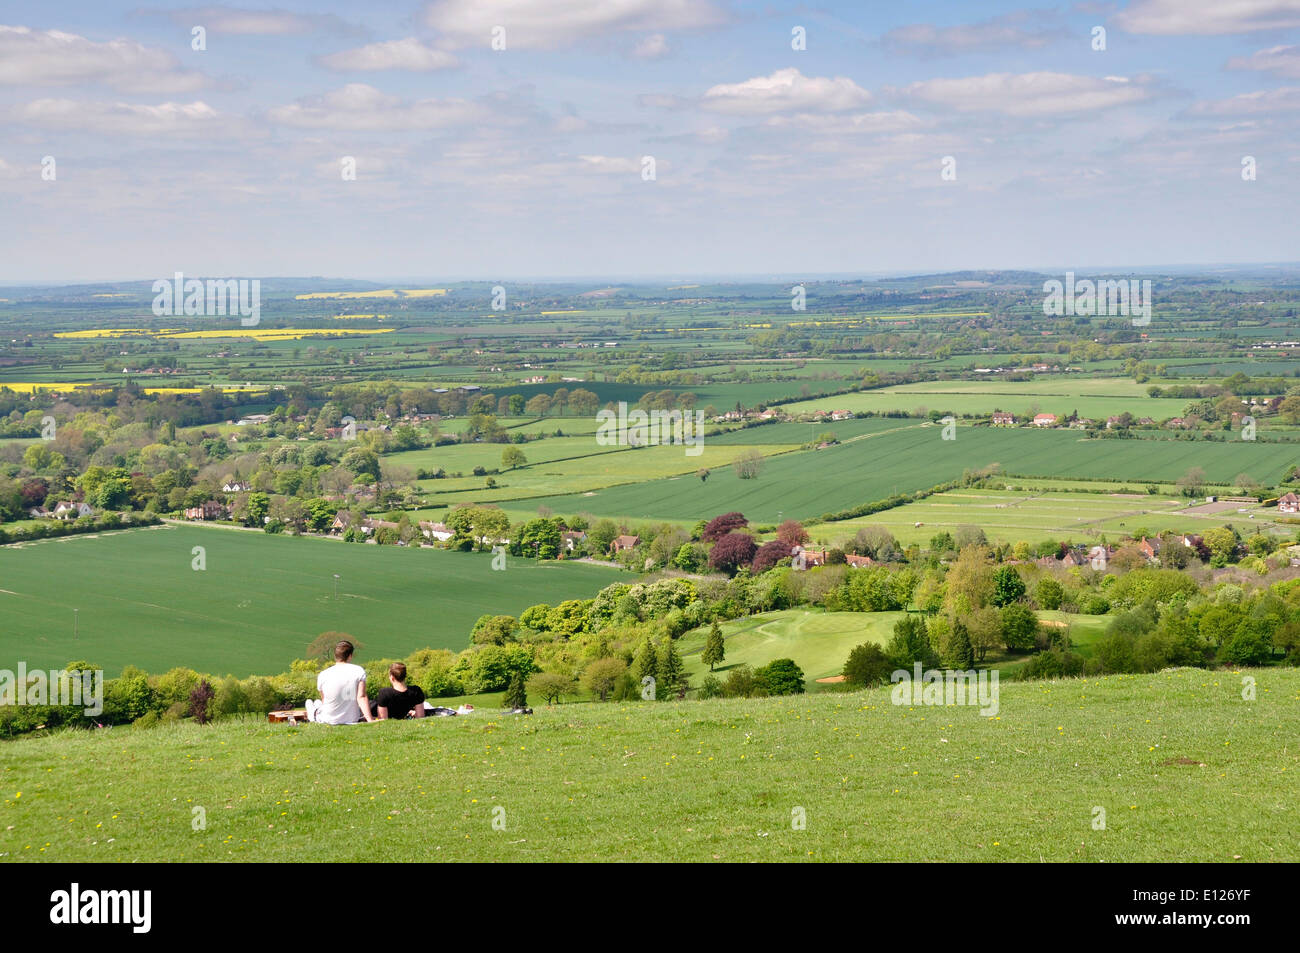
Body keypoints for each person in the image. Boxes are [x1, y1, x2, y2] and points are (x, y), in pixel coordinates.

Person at [310, 640, 373, 725]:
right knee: (317, 703)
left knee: (311, 703)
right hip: (352, 719)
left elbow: (324, 699)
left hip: (328, 719)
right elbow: (361, 697)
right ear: (350, 656)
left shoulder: (323, 674)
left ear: (335, 656)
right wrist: (370, 720)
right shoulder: (358, 670)